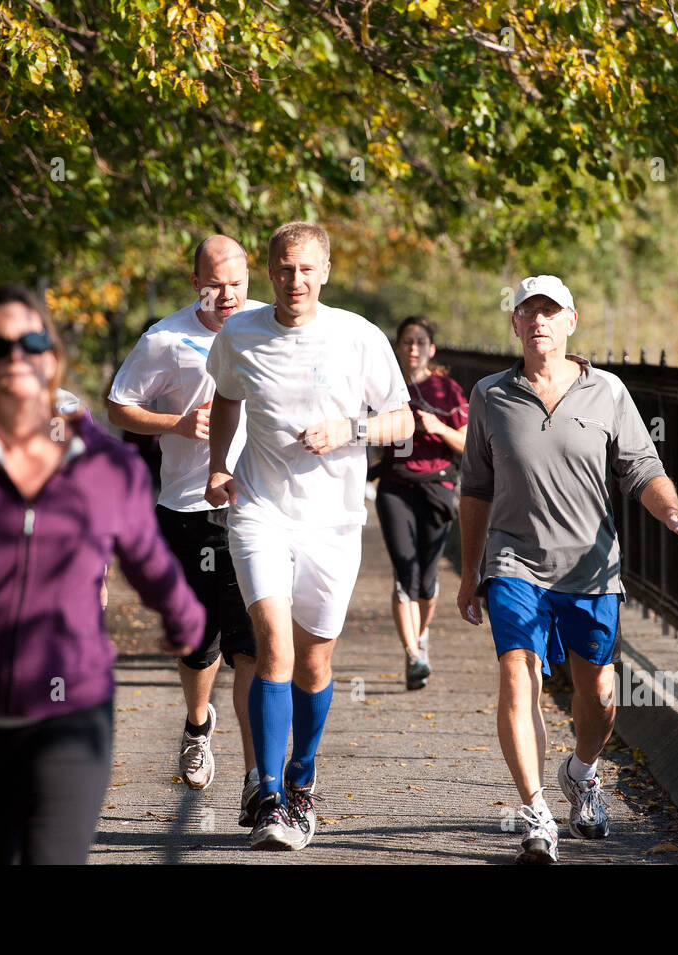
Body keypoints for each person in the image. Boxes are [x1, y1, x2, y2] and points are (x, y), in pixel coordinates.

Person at [0, 284, 204, 864]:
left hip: (72, 715)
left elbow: (147, 558)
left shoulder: (103, 466)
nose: (16, 356)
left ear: (53, 359)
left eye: (31, 342)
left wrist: (184, 616)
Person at [456, 275, 678, 864]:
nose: (538, 320)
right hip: (515, 563)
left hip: (591, 571)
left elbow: (642, 469)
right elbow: (476, 491)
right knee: (518, 674)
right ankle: (535, 811)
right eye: (527, 311)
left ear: (571, 321)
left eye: (550, 311)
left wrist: (673, 512)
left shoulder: (608, 392)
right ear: (514, 324)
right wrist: (471, 573)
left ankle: (582, 772)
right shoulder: (490, 395)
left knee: (601, 695)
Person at [204, 221, 413, 851]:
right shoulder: (241, 332)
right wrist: (218, 464)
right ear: (269, 272)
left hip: (334, 520)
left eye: (306, 269)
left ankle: (301, 777)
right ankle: (268, 793)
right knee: (272, 646)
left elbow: (402, 421)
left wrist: (348, 431)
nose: (295, 280)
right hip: (260, 508)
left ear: (325, 271)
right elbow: (225, 401)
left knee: (315, 659)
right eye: (283, 268)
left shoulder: (357, 336)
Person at [105, 235, 268, 825]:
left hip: (258, 507)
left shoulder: (269, 327)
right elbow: (118, 406)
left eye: (237, 283)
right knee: (201, 642)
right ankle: (198, 725)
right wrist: (175, 422)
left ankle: (259, 778)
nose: (227, 296)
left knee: (251, 644)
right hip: (188, 506)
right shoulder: (164, 339)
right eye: (215, 284)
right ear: (194, 279)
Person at [374, 316, 469, 690]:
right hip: (395, 487)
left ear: (431, 349)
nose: (412, 348)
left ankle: (421, 634)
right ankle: (413, 655)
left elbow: (468, 446)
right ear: (398, 348)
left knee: (427, 580)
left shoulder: (448, 390)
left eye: (419, 342)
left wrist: (439, 428)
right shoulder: (384, 388)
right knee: (405, 574)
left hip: (437, 486)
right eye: (406, 342)